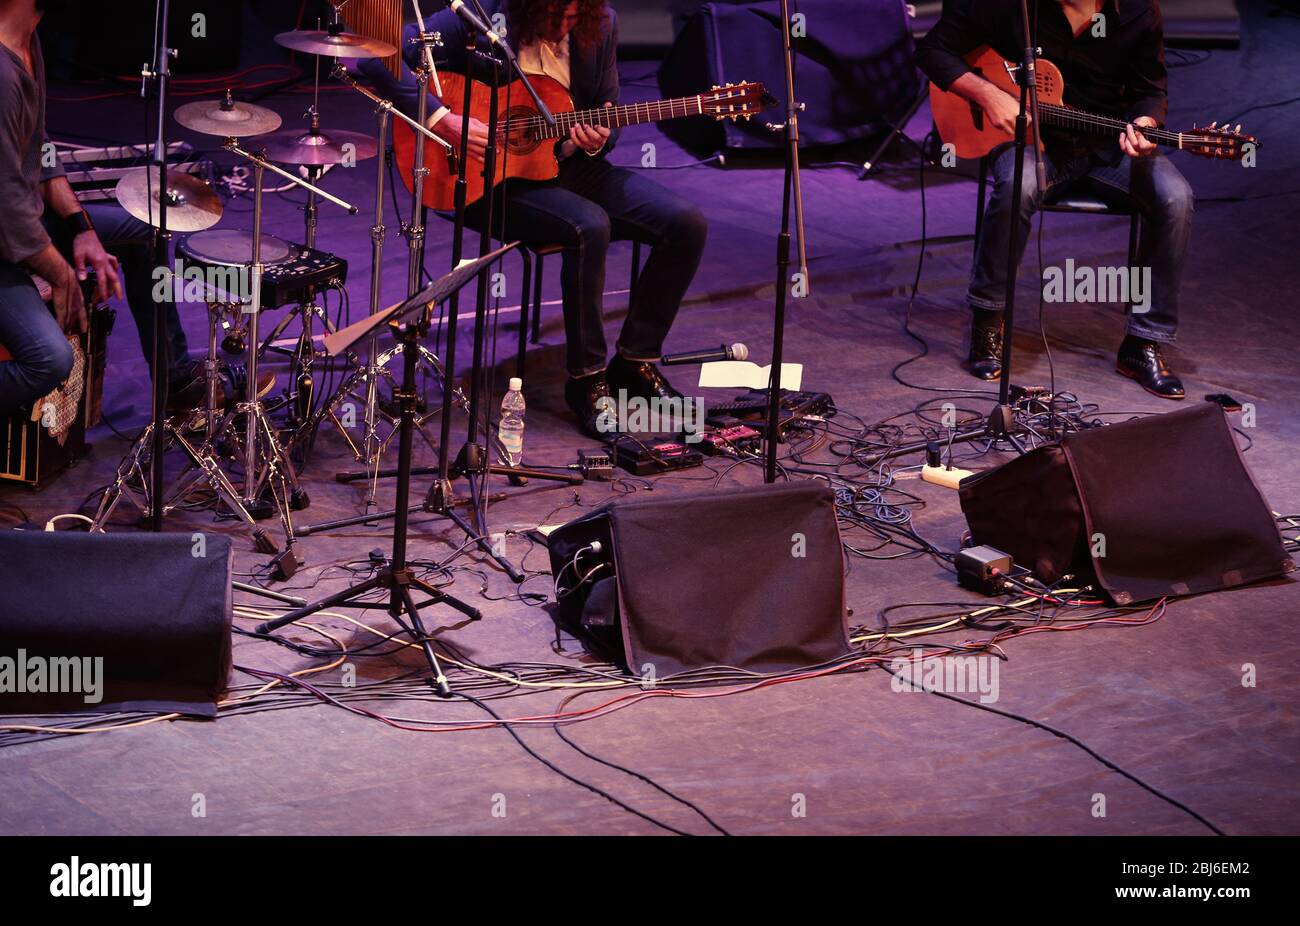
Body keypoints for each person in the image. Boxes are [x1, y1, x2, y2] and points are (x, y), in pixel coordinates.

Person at [398, 0, 708, 435]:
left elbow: (608, 108)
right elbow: (388, 56)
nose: (564, 25)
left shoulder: (600, 24)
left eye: (572, 16)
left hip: (567, 165)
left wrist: (596, 139)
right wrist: (441, 118)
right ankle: (587, 381)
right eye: (555, 14)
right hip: (487, 176)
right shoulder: (482, 17)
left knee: (685, 223)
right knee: (589, 226)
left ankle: (634, 363)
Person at [916, 0, 1194, 398]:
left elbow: (1149, 90)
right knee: (1019, 184)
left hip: (1104, 147)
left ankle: (1142, 342)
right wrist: (988, 95)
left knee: (1176, 197)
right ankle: (988, 324)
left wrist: (1145, 124)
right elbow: (932, 51)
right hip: (1031, 144)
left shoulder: (1136, 11)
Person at [0, 0, 198, 419]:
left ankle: (177, 382)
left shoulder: (27, 40)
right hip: (4, 240)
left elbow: (42, 152)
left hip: (19, 224)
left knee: (144, 230)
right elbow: (9, 213)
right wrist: (60, 270)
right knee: (50, 361)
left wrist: (80, 227)